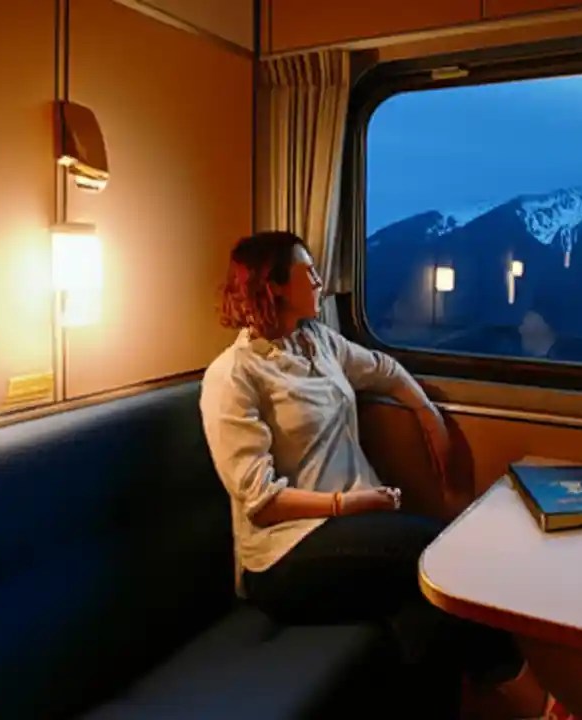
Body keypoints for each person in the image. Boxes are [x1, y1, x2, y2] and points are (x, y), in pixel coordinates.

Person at [198, 231, 554, 719]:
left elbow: (383, 368)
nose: (320, 281)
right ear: (274, 287)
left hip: (353, 527)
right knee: (439, 554)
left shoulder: (317, 342)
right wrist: (346, 505)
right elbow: (260, 501)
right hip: (286, 554)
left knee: (426, 614)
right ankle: (539, 702)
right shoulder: (234, 376)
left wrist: (427, 413)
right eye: (308, 272)